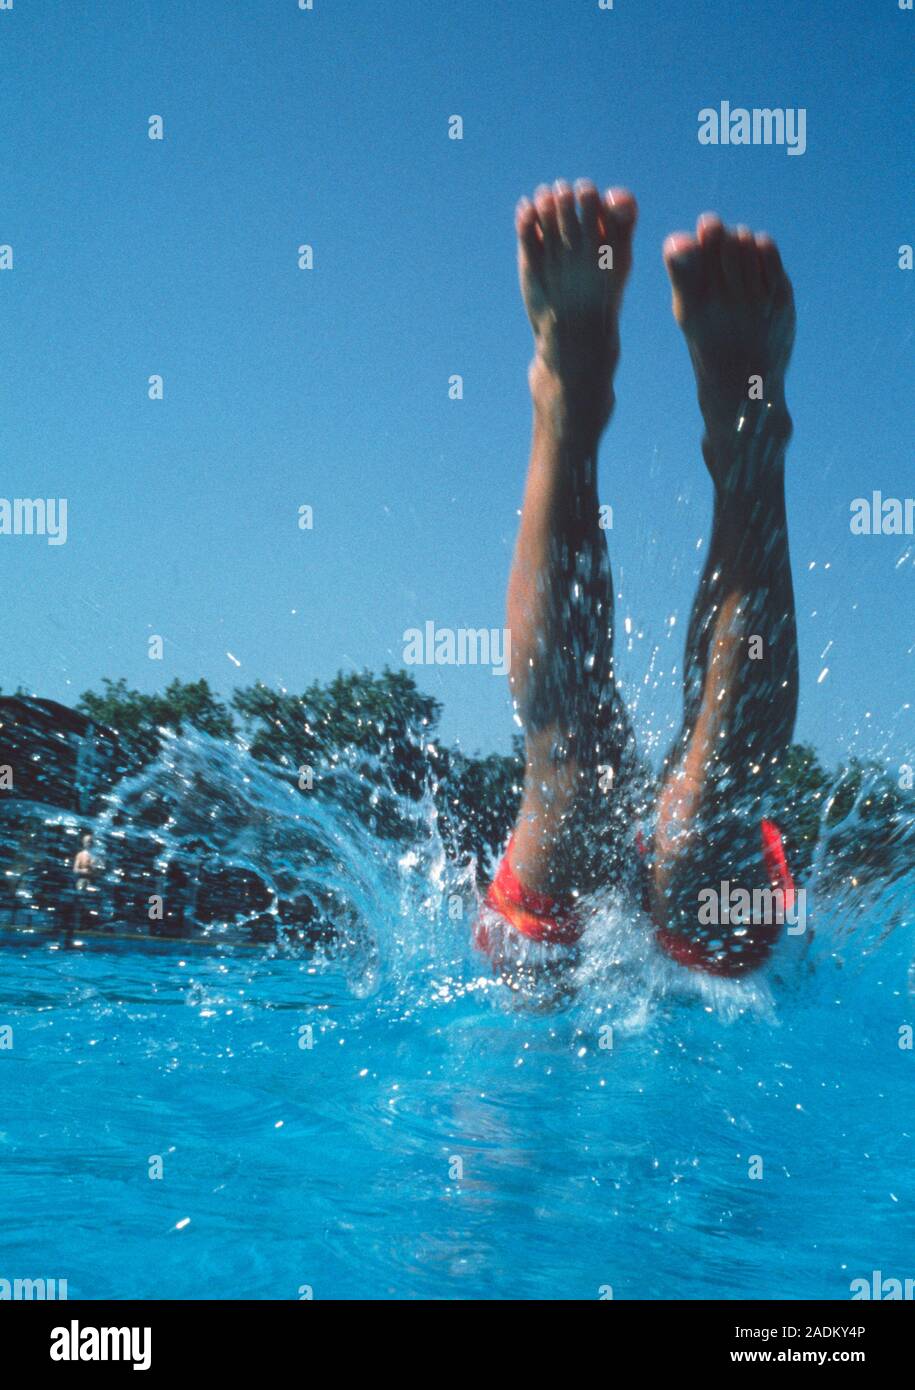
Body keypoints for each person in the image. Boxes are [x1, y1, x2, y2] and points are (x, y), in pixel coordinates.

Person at [476, 181, 797, 980]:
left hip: (531, 1009)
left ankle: (569, 390)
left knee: (571, 777)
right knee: (702, 812)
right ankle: (742, 426)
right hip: (734, 989)